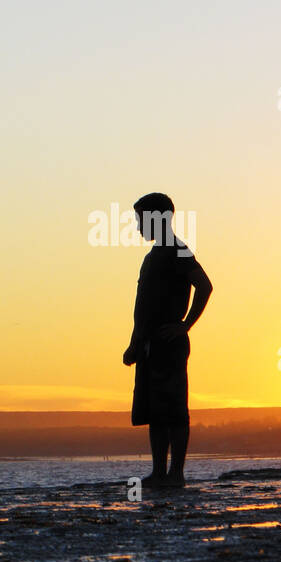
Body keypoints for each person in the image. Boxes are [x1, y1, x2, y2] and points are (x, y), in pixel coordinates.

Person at [123, 192, 213, 489]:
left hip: (170, 344)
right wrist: (135, 344)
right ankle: (159, 472)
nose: (138, 228)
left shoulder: (178, 249)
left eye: (140, 220)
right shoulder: (152, 257)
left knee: (173, 409)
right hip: (150, 345)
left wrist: (185, 325)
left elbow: (204, 285)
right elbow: (143, 306)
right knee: (154, 409)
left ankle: (176, 474)